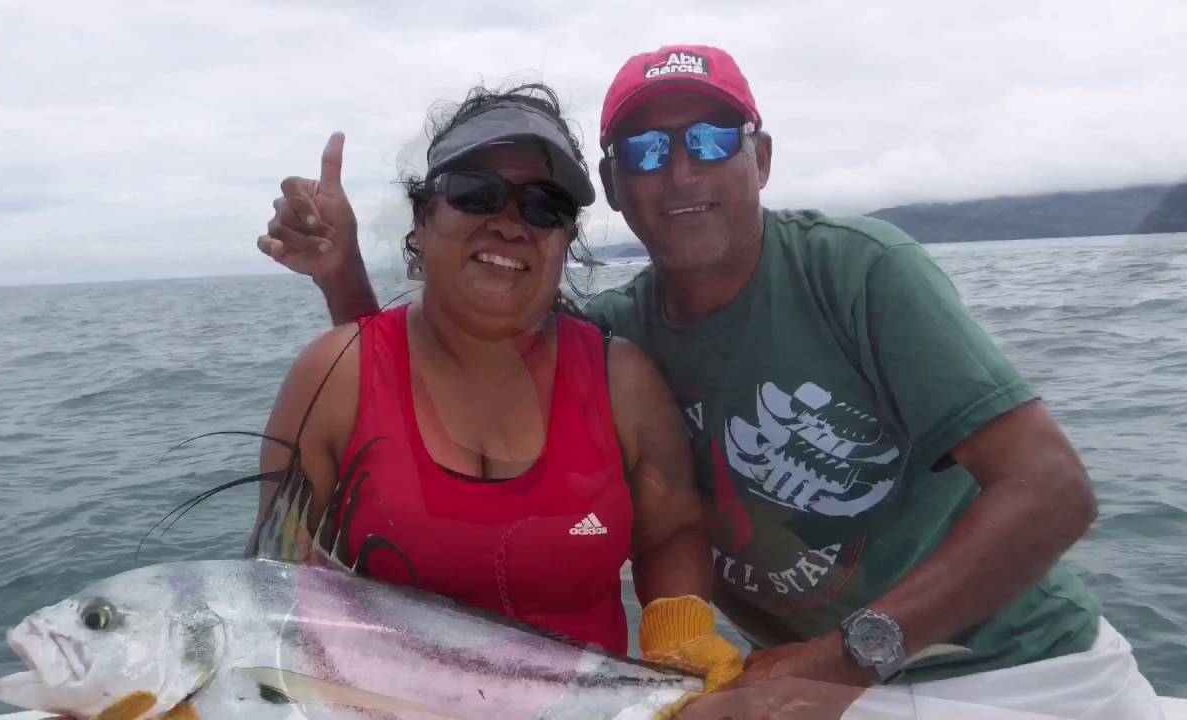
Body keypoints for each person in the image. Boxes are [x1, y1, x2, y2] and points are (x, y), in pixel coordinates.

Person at [258, 50, 1164, 719]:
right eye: (647, 154)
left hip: (1020, 666)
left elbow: (1054, 490)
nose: (681, 171)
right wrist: (345, 281)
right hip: (812, 684)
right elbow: (430, 362)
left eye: (710, 141)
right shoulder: (611, 346)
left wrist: (845, 663)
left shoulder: (856, 272)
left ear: (759, 160)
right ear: (615, 187)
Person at [254, 81, 744, 699]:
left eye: (544, 206)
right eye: (477, 193)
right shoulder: (332, 377)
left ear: (566, 241)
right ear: (423, 218)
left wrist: (681, 635)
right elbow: (271, 584)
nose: (511, 224)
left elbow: (671, 530)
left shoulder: (624, 381)